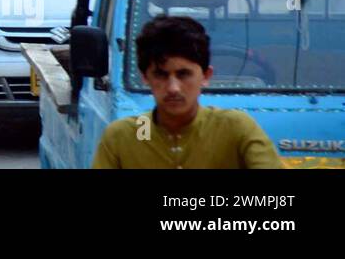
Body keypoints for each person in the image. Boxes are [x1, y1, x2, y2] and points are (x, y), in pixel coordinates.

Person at [93, 16, 281, 169]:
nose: (173, 88)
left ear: (206, 76)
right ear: (145, 77)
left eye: (184, 74)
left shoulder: (235, 128)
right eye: (161, 75)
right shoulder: (122, 136)